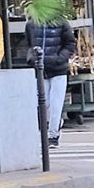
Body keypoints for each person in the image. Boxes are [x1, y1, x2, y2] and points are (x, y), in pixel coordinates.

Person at [31, 15, 74, 146]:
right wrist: (32, 58)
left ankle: (53, 135)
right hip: (41, 69)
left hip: (58, 69)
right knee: (45, 104)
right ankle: (56, 123)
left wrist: (60, 58)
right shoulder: (32, 23)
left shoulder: (61, 23)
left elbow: (70, 43)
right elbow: (29, 43)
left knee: (56, 104)